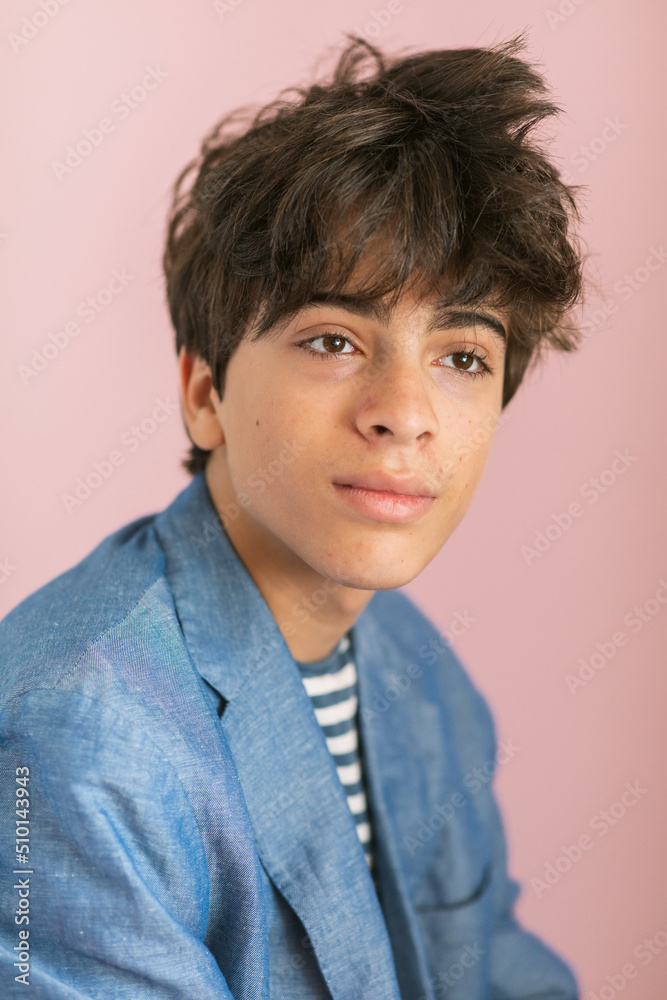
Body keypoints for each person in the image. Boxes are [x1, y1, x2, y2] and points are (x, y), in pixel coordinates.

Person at [0, 30, 586, 999]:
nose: (403, 410)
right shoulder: (82, 735)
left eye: (462, 357)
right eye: (331, 339)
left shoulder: (420, 674)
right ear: (204, 392)